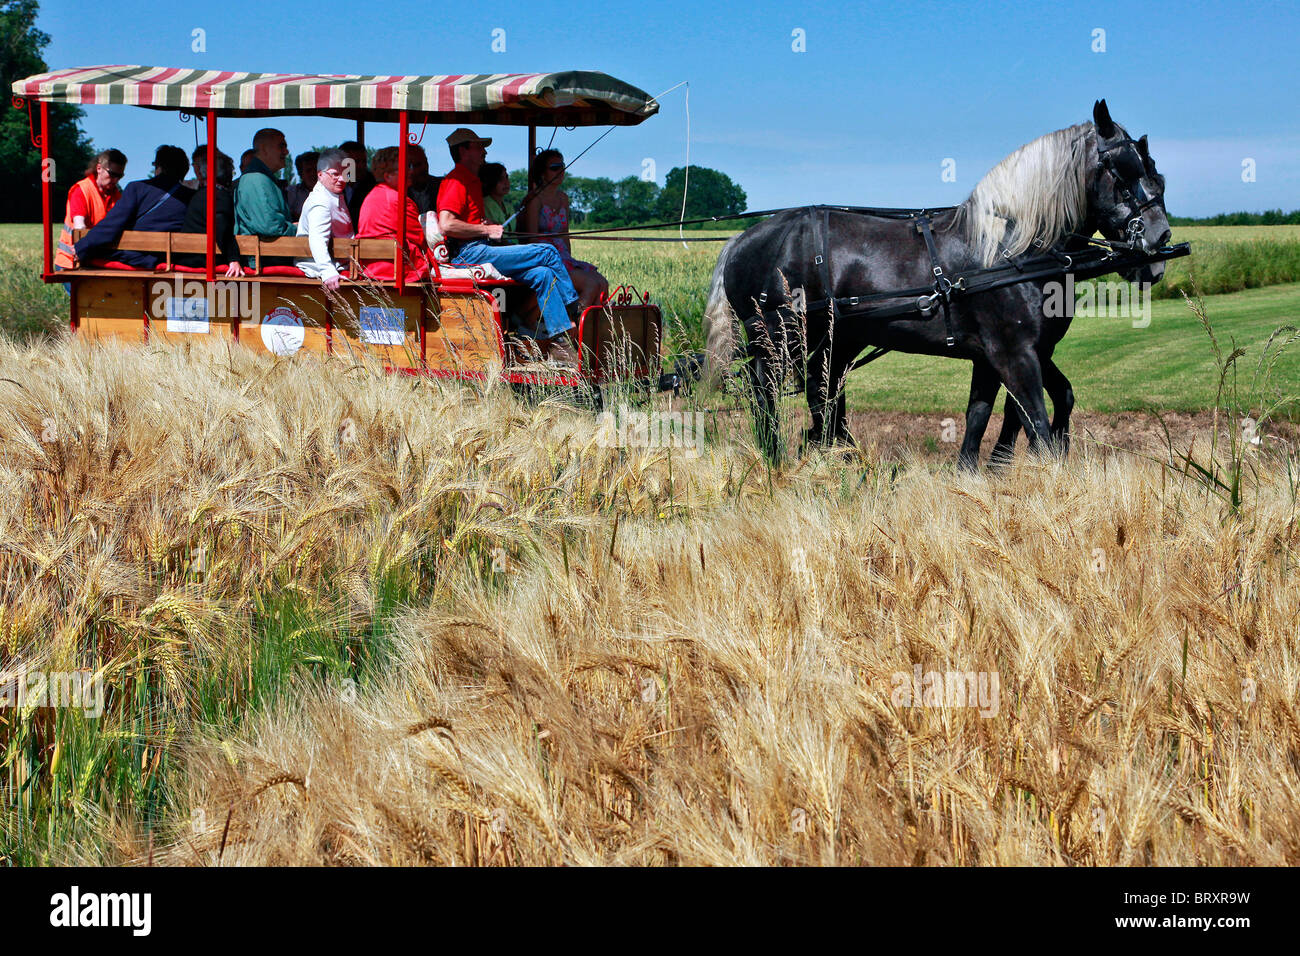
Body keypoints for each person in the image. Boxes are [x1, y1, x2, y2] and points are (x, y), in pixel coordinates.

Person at [436, 128, 581, 366]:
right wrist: (486, 230)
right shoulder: (456, 179)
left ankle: (559, 345)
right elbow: (447, 224)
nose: (484, 151)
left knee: (544, 274)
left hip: (479, 247)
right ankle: (575, 310)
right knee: (547, 251)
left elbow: (463, 222)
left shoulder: (471, 179)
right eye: (478, 146)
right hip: (470, 252)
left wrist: (482, 225)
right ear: (463, 150)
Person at [73, 145, 194, 270]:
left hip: (137, 258)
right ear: (183, 171)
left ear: (159, 167)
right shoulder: (192, 197)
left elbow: (112, 224)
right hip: (173, 260)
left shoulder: (136, 188)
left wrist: (81, 247)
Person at [523, 149, 609, 311]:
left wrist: (568, 258)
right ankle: (573, 324)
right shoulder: (534, 199)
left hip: (563, 257)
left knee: (602, 283)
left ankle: (594, 329)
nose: (560, 171)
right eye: (555, 167)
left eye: (562, 166)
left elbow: (565, 235)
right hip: (545, 258)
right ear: (542, 173)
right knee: (590, 284)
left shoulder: (564, 198)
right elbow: (530, 239)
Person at [357, 146, 432, 282]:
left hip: (368, 269)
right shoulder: (401, 201)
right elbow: (420, 239)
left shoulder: (369, 197)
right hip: (400, 272)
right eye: (405, 168)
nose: (411, 171)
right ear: (387, 176)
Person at [54, 149, 126, 271]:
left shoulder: (117, 196)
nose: (116, 180)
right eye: (112, 174)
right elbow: (80, 228)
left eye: (119, 176)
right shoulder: (81, 190)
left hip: (96, 261)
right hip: (71, 262)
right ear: (99, 168)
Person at [176, 150, 244, 276]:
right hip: (202, 260)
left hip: (190, 256)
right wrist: (233, 259)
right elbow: (221, 226)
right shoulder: (218, 195)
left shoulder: (201, 194)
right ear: (225, 173)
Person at [234, 129, 296, 267]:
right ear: (264, 149)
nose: (286, 152)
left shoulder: (262, 178)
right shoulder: (256, 179)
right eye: (281, 146)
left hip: (269, 258)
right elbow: (270, 226)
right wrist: (299, 229)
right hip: (264, 262)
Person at [295, 149, 354, 291]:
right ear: (320, 175)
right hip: (318, 270)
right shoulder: (321, 201)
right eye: (335, 174)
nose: (342, 179)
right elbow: (317, 239)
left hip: (340, 263)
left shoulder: (333, 194)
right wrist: (328, 272)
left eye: (345, 173)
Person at [338, 140, 376, 226]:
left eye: (364, 161)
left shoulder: (372, 185)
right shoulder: (332, 184)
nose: (361, 166)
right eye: (356, 162)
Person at [479, 162, 514, 241]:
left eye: (507, 177)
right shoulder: (484, 205)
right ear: (490, 181)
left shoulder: (509, 206)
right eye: (500, 179)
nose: (506, 182)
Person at [286, 151, 319, 222]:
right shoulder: (292, 193)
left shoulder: (333, 193)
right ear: (300, 174)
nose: (313, 174)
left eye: (316, 169)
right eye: (308, 170)